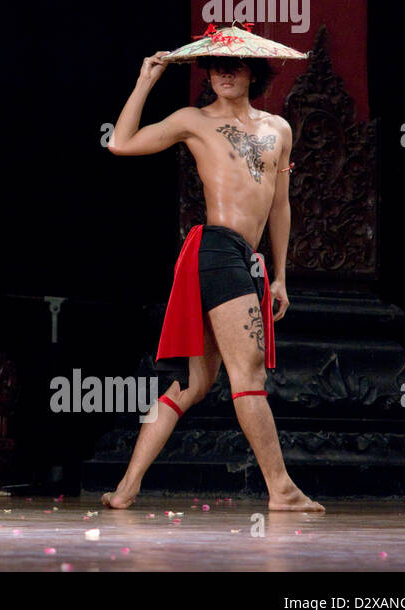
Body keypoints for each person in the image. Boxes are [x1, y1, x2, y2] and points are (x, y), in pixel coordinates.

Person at [101, 43, 323, 512]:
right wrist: (146, 80)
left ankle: (125, 488)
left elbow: (280, 205)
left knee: (195, 383)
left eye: (234, 66)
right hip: (215, 249)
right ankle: (281, 489)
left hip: (246, 258)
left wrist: (280, 276)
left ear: (252, 73)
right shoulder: (193, 120)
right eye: (216, 67)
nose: (224, 74)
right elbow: (120, 143)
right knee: (250, 371)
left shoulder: (278, 128)